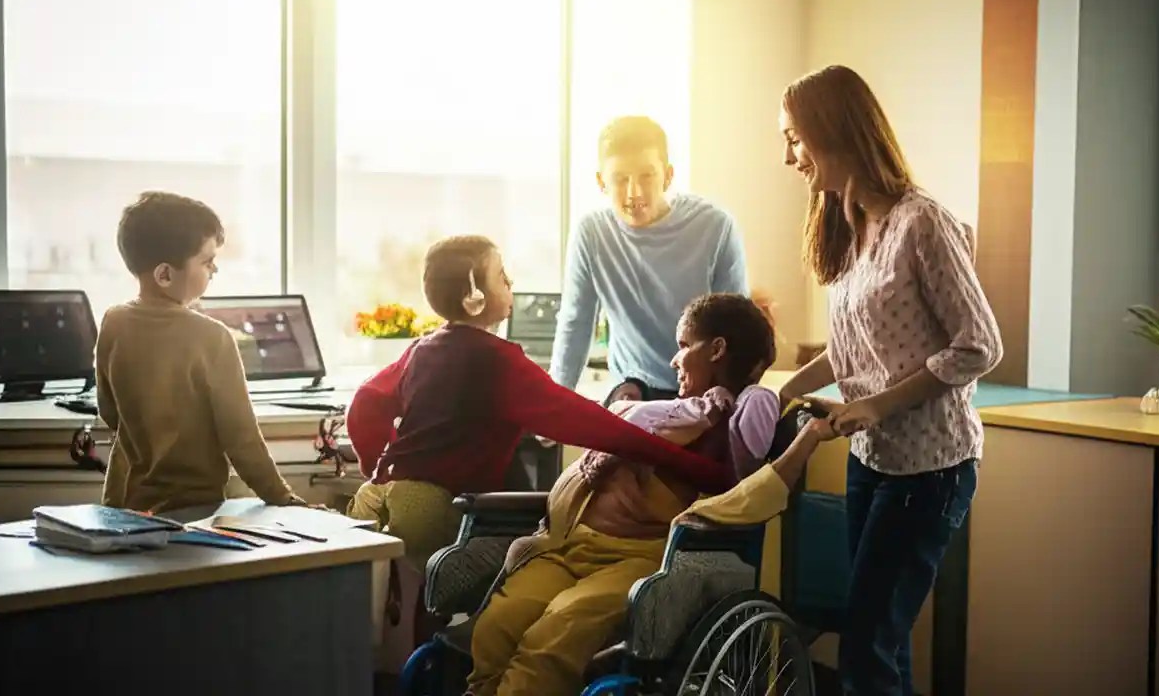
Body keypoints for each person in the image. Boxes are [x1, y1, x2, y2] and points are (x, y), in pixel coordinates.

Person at [467, 294, 836, 696]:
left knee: (555, 633)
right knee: (498, 622)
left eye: (682, 346)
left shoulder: (734, 418)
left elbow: (748, 484)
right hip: (567, 545)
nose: (674, 361)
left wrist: (804, 437)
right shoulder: (672, 414)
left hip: (637, 557)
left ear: (716, 349)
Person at [776, 65, 1003, 696]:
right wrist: (785, 388)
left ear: (835, 130)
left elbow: (980, 344)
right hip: (872, 460)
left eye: (794, 138)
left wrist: (876, 405)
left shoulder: (921, 222)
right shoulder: (849, 224)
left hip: (932, 468)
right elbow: (853, 349)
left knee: (866, 646)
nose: (788, 155)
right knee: (884, 641)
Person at [344, 235, 736, 574]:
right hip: (430, 510)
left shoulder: (422, 347)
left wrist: (381, 467)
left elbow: (365, 403)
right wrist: (706, 473)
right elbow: (605, 430)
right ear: (474, 297)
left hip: (376, 497)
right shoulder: (500, 362)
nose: (511, 282)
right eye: (502, 275)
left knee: (388, 621)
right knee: (523, 562)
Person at [96, 191, 302, 513]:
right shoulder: (213, 337)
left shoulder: (114, 322)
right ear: (165, 274)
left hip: (124, 504)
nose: (214, 270)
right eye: (207, 262)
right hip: (192, 509)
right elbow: (241, 439)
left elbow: (108, 411)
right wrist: (283, 498)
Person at [550, 115, 751, 402]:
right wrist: (555, 401)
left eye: (647, 176)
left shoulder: (715, 227)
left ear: (668, 175)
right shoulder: (591, 234)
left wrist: (729, 402)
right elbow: (576, 322)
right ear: (601, 181)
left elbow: (738, 328)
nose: (634, 192)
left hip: (701, 392)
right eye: (620, 179)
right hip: (632, 390)